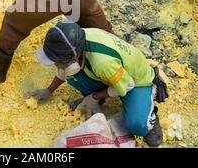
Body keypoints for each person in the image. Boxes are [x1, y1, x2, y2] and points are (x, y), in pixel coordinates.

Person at [27, 22, 169, 147]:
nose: (57, 65)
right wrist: (49, 90)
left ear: (73, 56)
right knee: (72, 74)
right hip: (112, 73)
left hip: (136, 81)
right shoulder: (76, 40)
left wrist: (93, 97)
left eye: (58, 61)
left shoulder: (102, 62)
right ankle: (101, 95)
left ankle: (150, 113)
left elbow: (128, 85)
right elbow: (64, 68)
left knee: (137, 125)